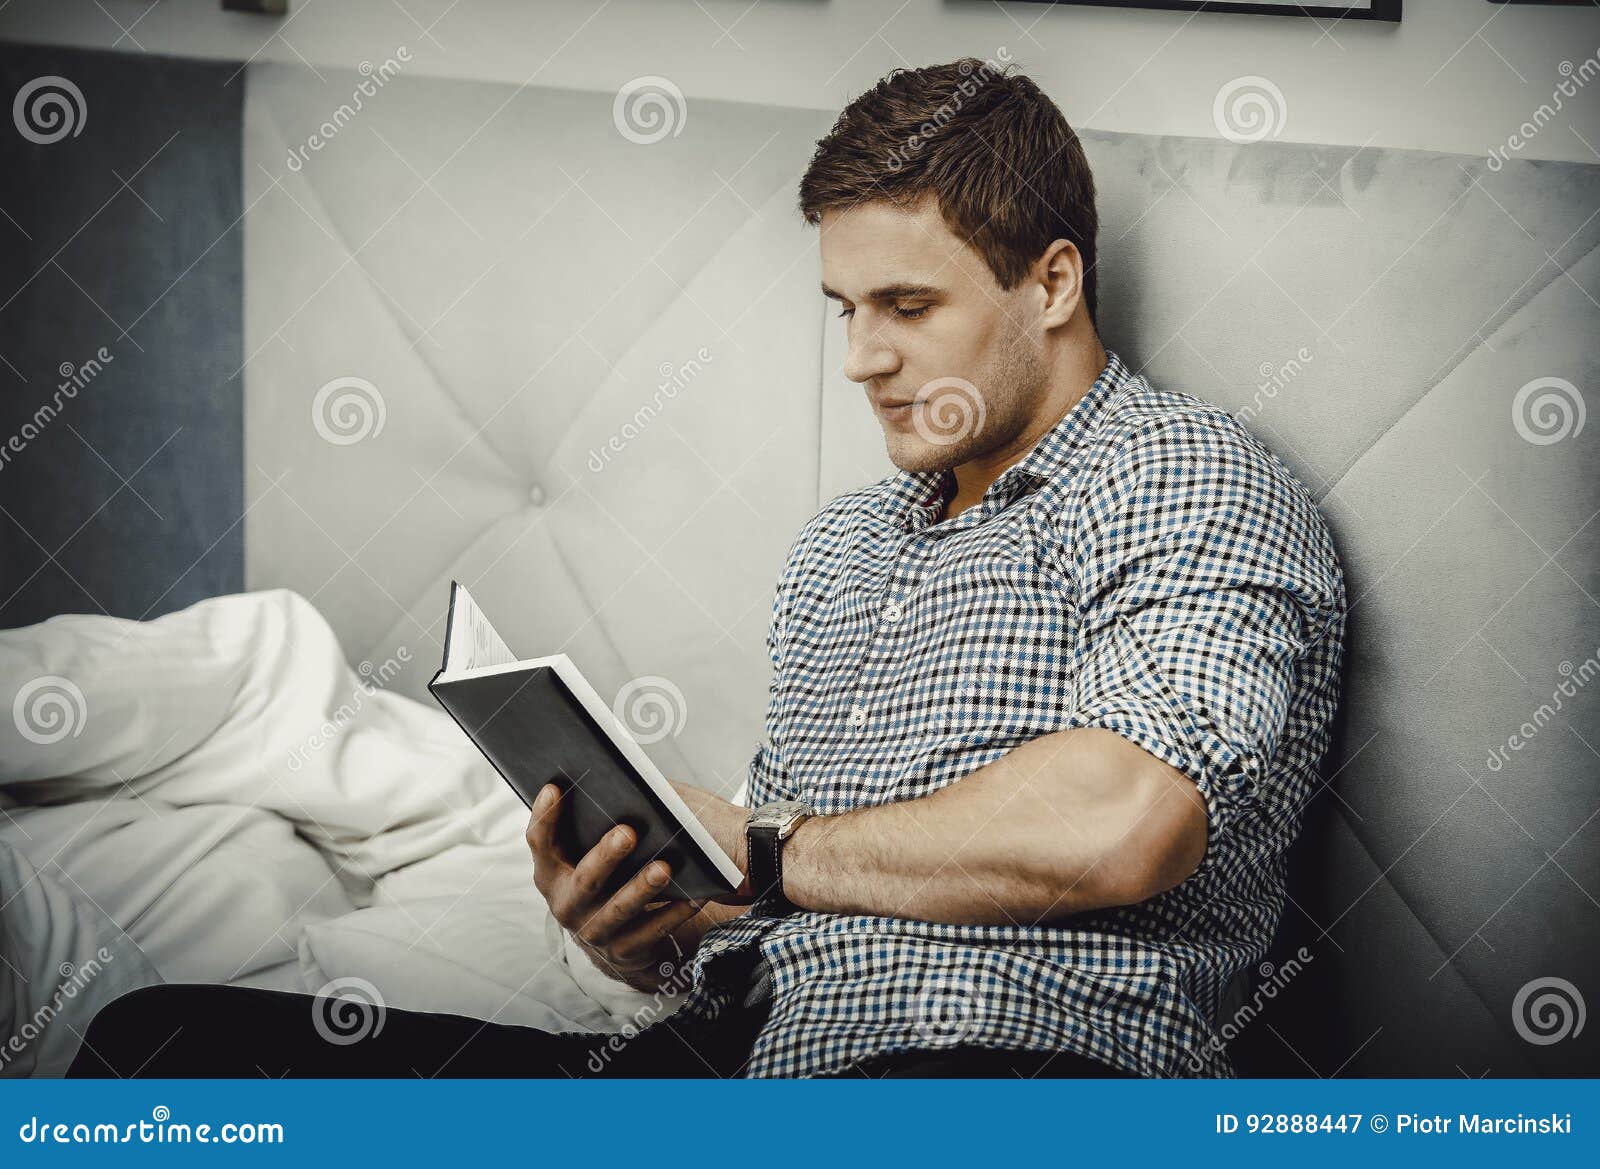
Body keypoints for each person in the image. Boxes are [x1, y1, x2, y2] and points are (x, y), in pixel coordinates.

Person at [71, 57, 1343, 1080]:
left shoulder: (1186, 476)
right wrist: (644, 925)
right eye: (844, 310)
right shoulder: (841, 549)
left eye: (907, 306)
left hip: (1008, 1068)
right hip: (741, 1065)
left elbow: (1130, 822)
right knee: (155, 1053)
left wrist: (768, 850)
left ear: (1052, 280)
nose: (861, 359)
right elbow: (774, 903)